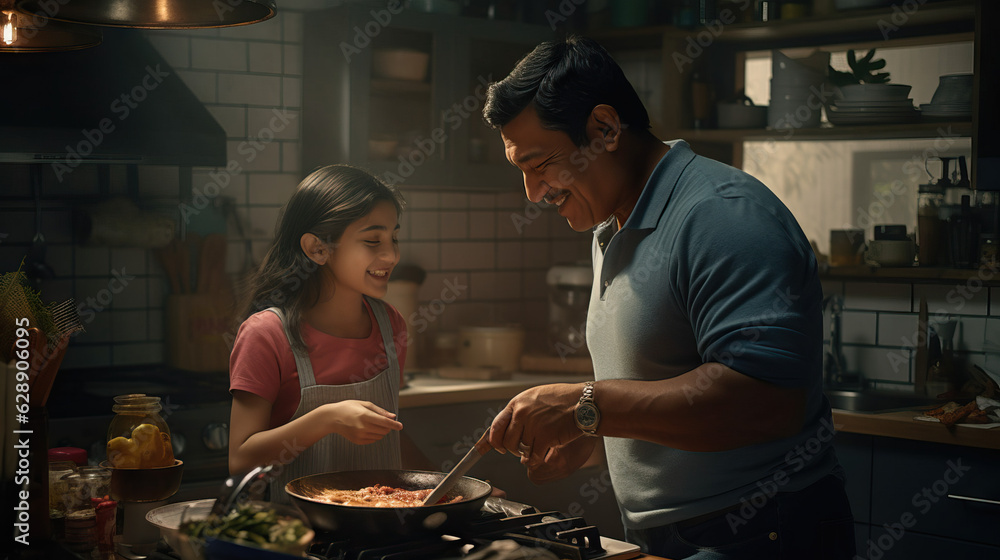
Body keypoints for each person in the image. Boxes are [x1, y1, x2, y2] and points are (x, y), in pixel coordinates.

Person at [481, 36, 854, 559]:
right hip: (675, 534)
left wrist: (585, 405)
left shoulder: (723, 215)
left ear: (605, 130)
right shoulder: (611, 223)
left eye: (540, 164)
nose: (533, 192)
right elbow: (660, 386)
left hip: (761, 530)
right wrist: (588, 436)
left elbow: (767, 401)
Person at [227, 164, 421, 502]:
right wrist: (327, 419)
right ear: (317, 248)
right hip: (298, 539)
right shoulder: (266, 335)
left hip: (380, 533)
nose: (391, 255)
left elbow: (388, 436)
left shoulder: (391, 326)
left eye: (394, 238)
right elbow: (241, 461)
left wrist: (449, 486)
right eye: (372, 240)